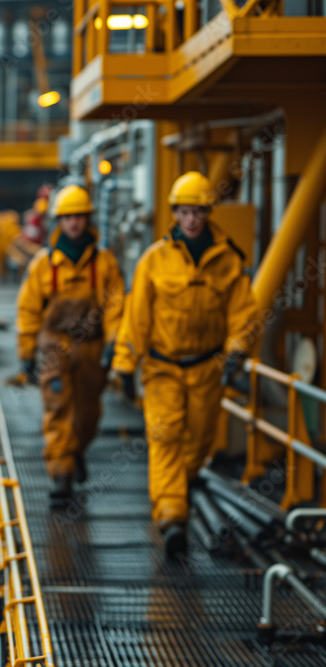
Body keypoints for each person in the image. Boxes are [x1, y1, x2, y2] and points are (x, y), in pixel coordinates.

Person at [113, 171, 257, 560]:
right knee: (165, 440)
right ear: (174, 213)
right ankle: (172, 518)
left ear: (208, 213)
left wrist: (236, 352)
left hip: (207, 371)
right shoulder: (154, 261)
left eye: (198, 211)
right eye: (183, 211)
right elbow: (137, 317)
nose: (191, 219)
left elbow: (243, 314)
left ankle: (181, 488)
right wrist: (125, 364)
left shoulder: (228, 261)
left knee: (198, 443)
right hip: (162, 369)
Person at [16, 184, 125, 508]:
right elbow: (28, 310)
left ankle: (76, 450)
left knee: (88, 413)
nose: (74, 223)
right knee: (58, 409)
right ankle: (61, 474)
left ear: (88, 219)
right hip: (56, 348)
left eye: (79, 216)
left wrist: (114, 344)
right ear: (59, 221)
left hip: (93, 349)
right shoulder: (44, 265)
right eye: (68, 217)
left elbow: (116, 306)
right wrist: (26, 354)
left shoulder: (104, 263)